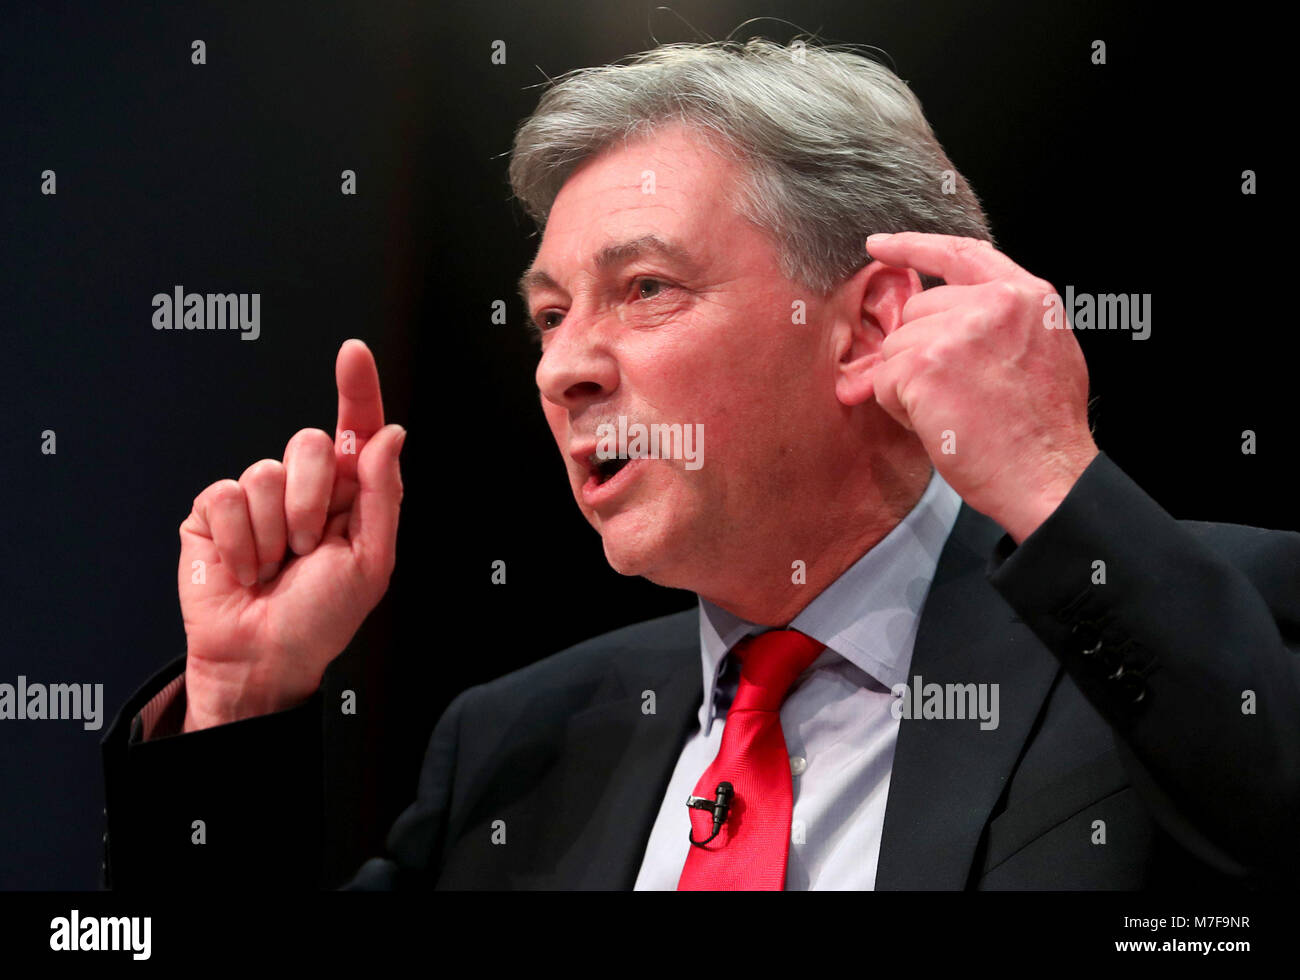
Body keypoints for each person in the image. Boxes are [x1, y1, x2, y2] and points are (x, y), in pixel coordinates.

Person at [101, 38, 1300, 890]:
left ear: (871, 324)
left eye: (644, 289)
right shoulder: (518, 745)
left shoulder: (1195, 627)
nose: (562, 367)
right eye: (549, 313)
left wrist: (1048, 480)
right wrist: (240, 700)